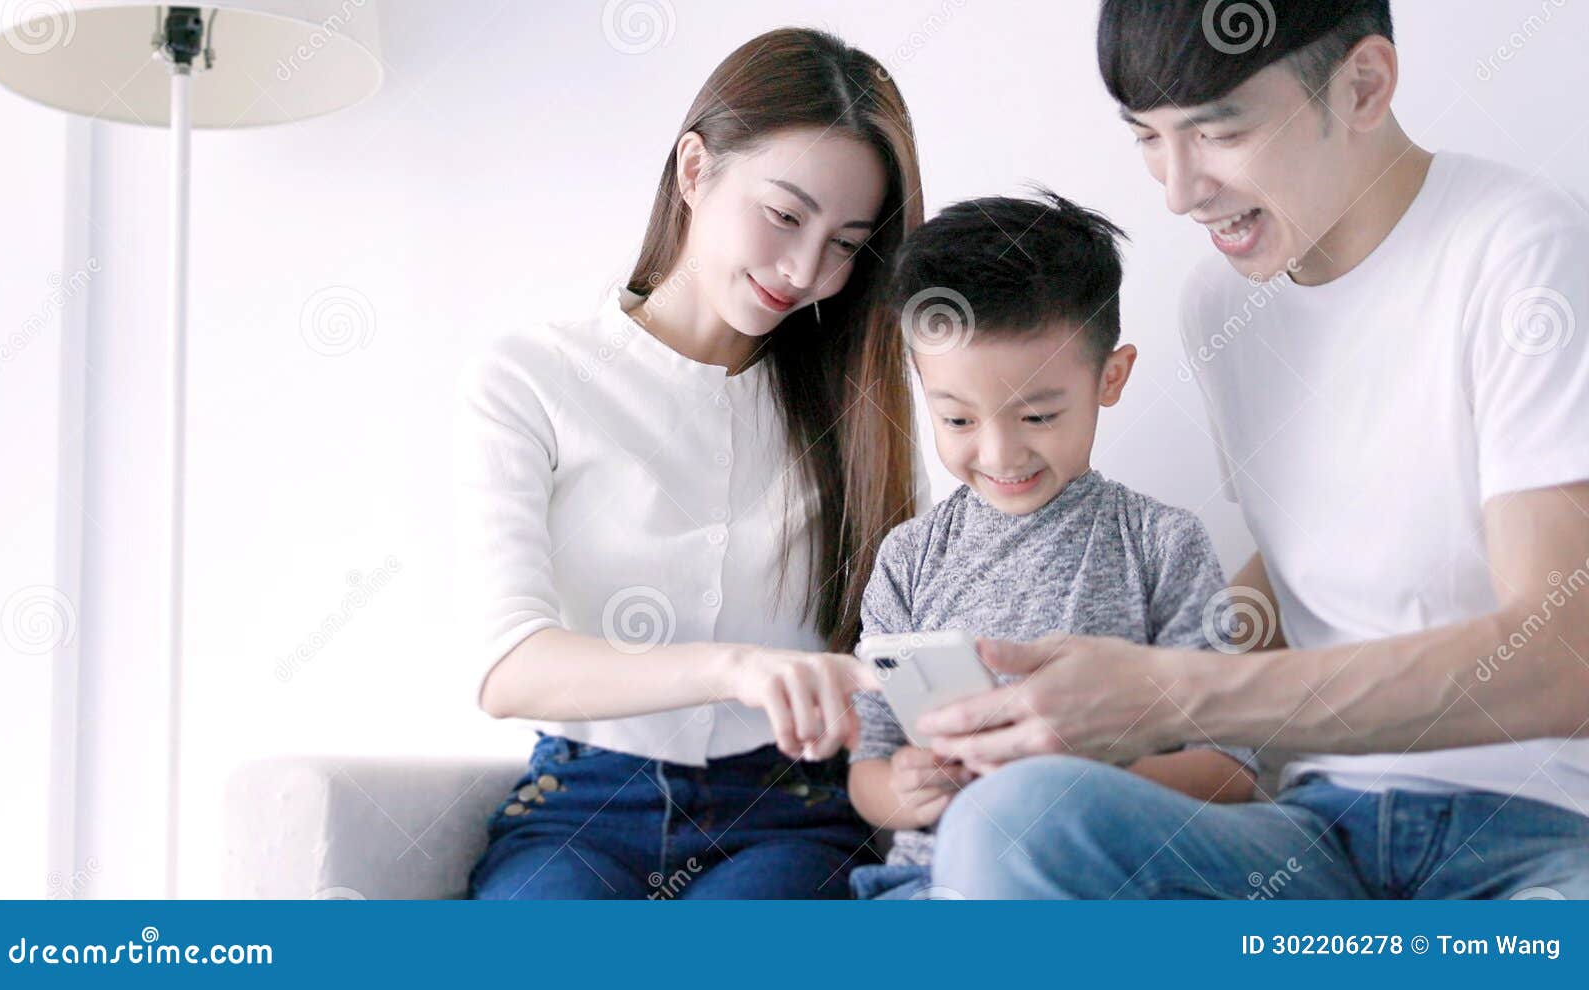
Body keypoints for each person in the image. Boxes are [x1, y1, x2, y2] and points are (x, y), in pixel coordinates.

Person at [923, 0, 1589, 899]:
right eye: (1147, 139)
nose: (1178, 190)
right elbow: (1307, 573)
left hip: (1535, 837)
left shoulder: (1520, 250)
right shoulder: (1222, 306)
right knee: (1015, 822)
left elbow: (1561, 660)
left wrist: (1174, 691)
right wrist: (1092, 687)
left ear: (1363, 85)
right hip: (1316, 838)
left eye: (1217, 132)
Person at [457, 27, 928, 899]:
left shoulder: (859, 423)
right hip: (583, 804)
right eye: (785, 215)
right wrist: (734, 666)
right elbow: (508, 667)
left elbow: (899, 667)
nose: (804, 270)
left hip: (792, 814)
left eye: (846, 243)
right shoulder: (534, 378)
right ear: (693, 169)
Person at [845, 191, 1258, 900]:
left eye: (1038, 414)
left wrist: (1074, 781)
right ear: (921, 387)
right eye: (957, 418)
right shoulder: (908, 560)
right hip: (931, 886)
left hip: (1096, 880)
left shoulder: (1161, 544)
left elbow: (1230, 770)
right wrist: (906, 789)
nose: (1001, 453)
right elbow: (870, 770)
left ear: (1111, 377)